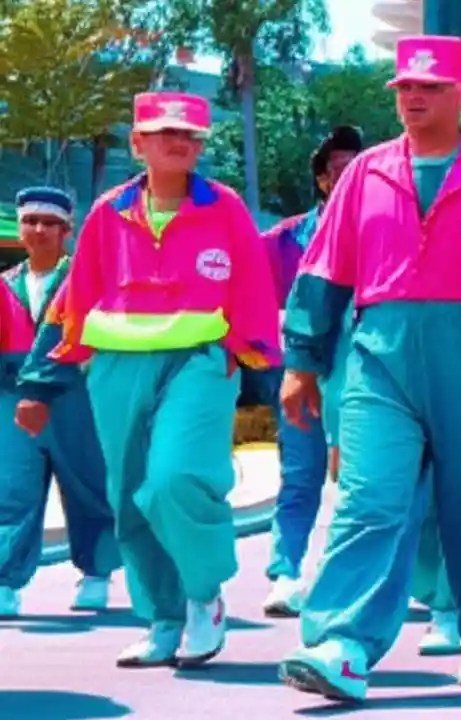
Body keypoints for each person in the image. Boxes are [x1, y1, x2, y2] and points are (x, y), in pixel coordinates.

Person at [277, 36, 461, 700]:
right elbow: (324, 271)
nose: (414, 97)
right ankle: (341, 644)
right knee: (368, 496)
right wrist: (302, 359)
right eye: (405, 87)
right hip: (379, 355)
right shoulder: (366, 173)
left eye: (431, 87)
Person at [14, 92, 280, 667]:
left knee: (174, 479)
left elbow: (255, 285)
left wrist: (245, 353)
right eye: (164, 133)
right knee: (129, 495)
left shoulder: (226, 208)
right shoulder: (108, 211)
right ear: (138, 143)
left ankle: (203, 594)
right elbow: (74, 299)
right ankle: (163, 618)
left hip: (198, 361)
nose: (178, 142)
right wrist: (39, 383)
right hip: (116, 365)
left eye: (189, 135)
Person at [257, 125, 364, 617]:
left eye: (358, 168)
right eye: (339, 169)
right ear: (322, 179)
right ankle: (285, 573)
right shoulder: (283, 242)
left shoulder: (384, 232)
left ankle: (354, 576)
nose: (349, 177)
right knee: (300, 475)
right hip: (303, 375)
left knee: (361, 480)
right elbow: (251, 296)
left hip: (364, 377)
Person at [0, 187, 119, 617]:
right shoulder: (4, 284)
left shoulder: (87, 279)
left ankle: (96, 573)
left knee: (87, 484)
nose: (39, 230)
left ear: (67, 230)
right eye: (31, 221)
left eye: (50, 223)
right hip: (14, 395)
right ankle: (5, 581)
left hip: (75, 394)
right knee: (11, 488)